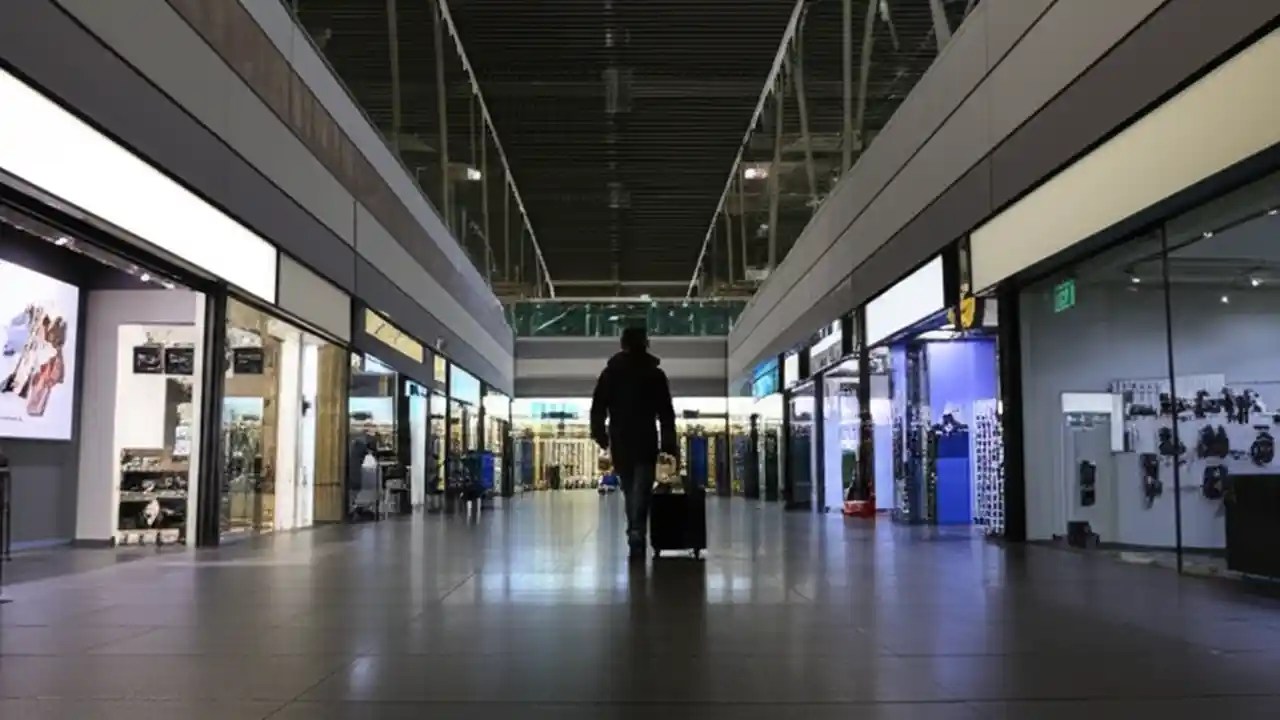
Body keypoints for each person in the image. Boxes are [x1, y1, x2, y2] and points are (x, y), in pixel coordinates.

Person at [590, 326, 677, 558]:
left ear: (623, 344)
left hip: (621, 438)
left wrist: (600, 434)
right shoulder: (655, 374)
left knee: (630, 489)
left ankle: (635, 531)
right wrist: (670, 444)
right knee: (642, 488)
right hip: (646, 437)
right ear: (645, 344)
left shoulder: (610, 374)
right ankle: (637, 530)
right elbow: (666, 413)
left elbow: (598, 407)